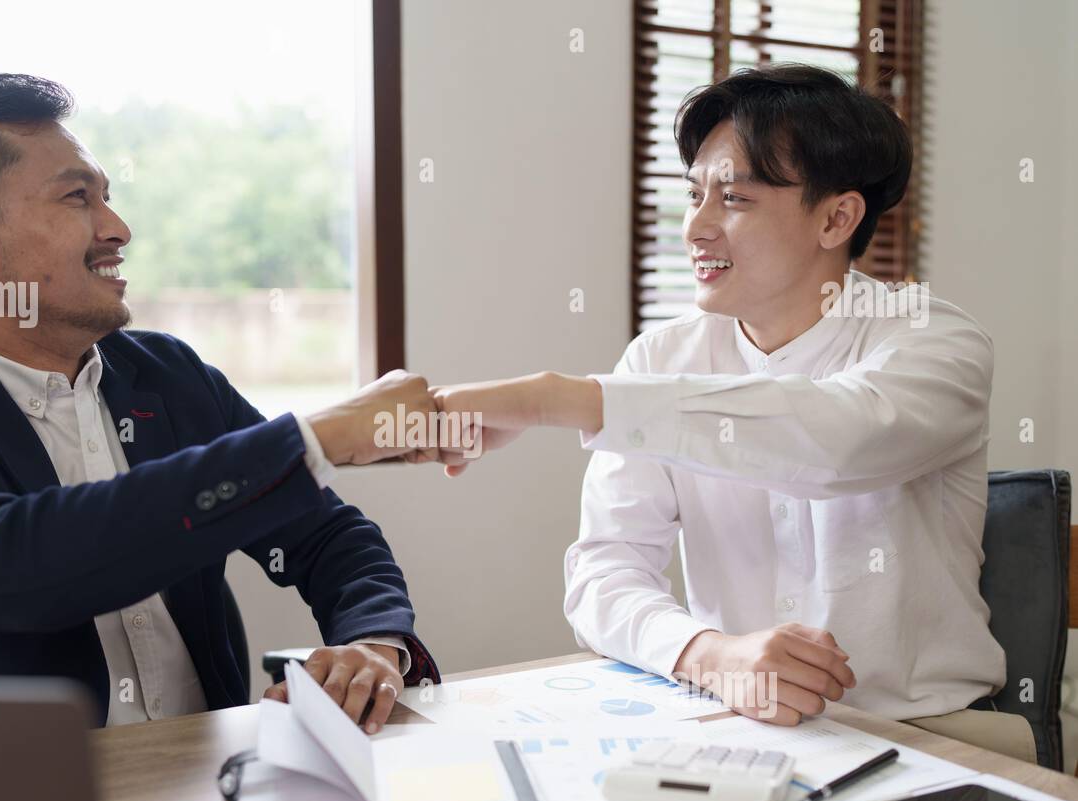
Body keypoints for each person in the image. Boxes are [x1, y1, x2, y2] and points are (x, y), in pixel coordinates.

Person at [0, 74, 440, 732]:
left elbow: (329, 535)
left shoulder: (168, 377)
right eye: (78, 198)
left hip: (211, 781)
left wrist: (373, 643)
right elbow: (25, 566)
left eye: (107, 196)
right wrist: (313, 438)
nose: (117, 227)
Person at [431, 64, 1035, 762]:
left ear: (837, 218)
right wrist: (708, 654)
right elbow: (605, 573)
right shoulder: (659, 361)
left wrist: (554, 399)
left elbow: (836, 440)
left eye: (735, 200)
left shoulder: (936, 341)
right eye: (693, 196)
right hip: (736, 728)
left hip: (928, 734)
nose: (697, 228)